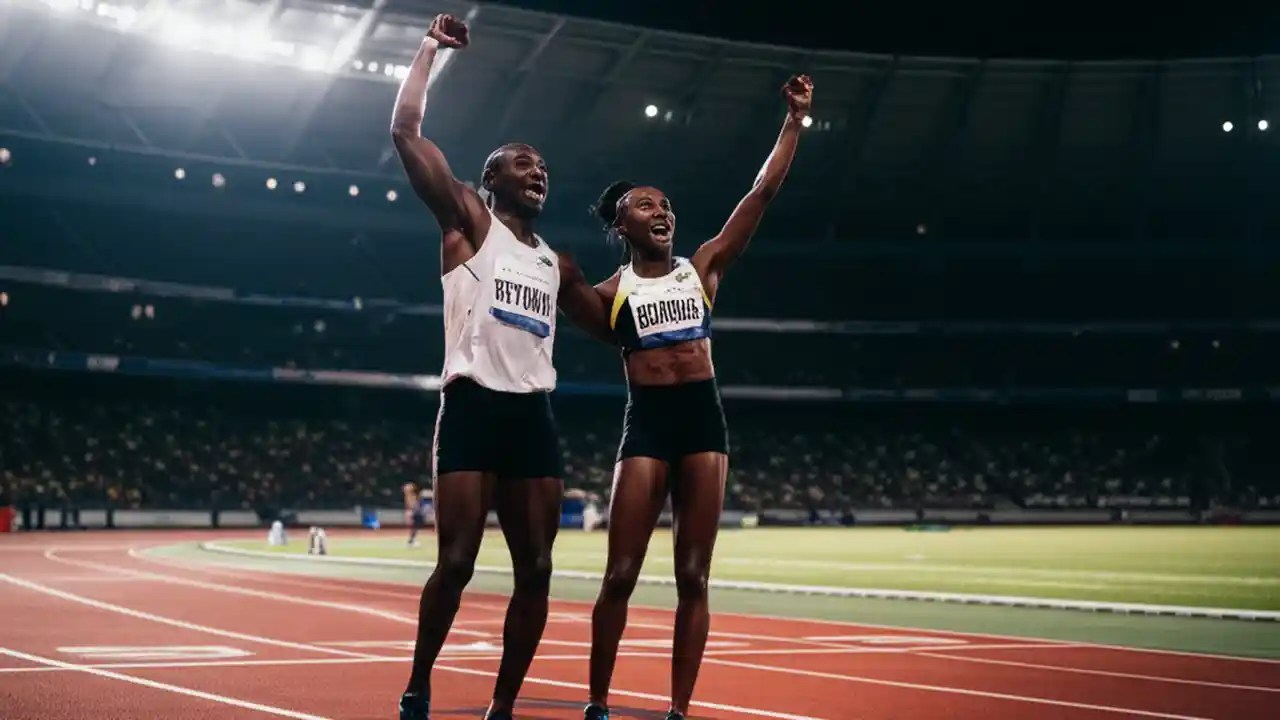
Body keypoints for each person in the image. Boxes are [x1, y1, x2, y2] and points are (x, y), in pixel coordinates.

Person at [575, 75, 814, 720]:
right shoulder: (607, 293)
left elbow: (760, 193)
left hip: (703, 422)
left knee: (693, 578)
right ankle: (598, 702)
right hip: (647, 425)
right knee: (620, 574)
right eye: (648, 205)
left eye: (667, 205)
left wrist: (793, 121)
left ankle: (679, 710)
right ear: (621, 221)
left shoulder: (702, 266)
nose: (663, 212)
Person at [389, 13, 605, 720]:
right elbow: (406, 134)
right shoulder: (466, 224)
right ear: (490, 180)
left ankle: (503, 705)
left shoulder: (557, 263)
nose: (537, 171)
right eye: (523, 162)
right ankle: (419, 682)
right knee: (456, 562)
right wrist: (428, 50)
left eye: (543, 166)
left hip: (532, 416)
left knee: (537, 569)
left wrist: (671, 290)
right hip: (473, 405)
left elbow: (607, 325)